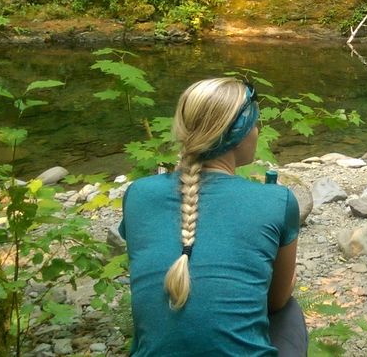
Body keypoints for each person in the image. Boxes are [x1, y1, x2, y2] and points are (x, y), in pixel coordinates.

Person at [120, 77, 307, 356]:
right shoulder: (277, 201)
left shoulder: (138, 194)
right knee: (290, 311)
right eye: (255, 123)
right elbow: (276, 301)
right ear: (240, 133)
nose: (257, 130)